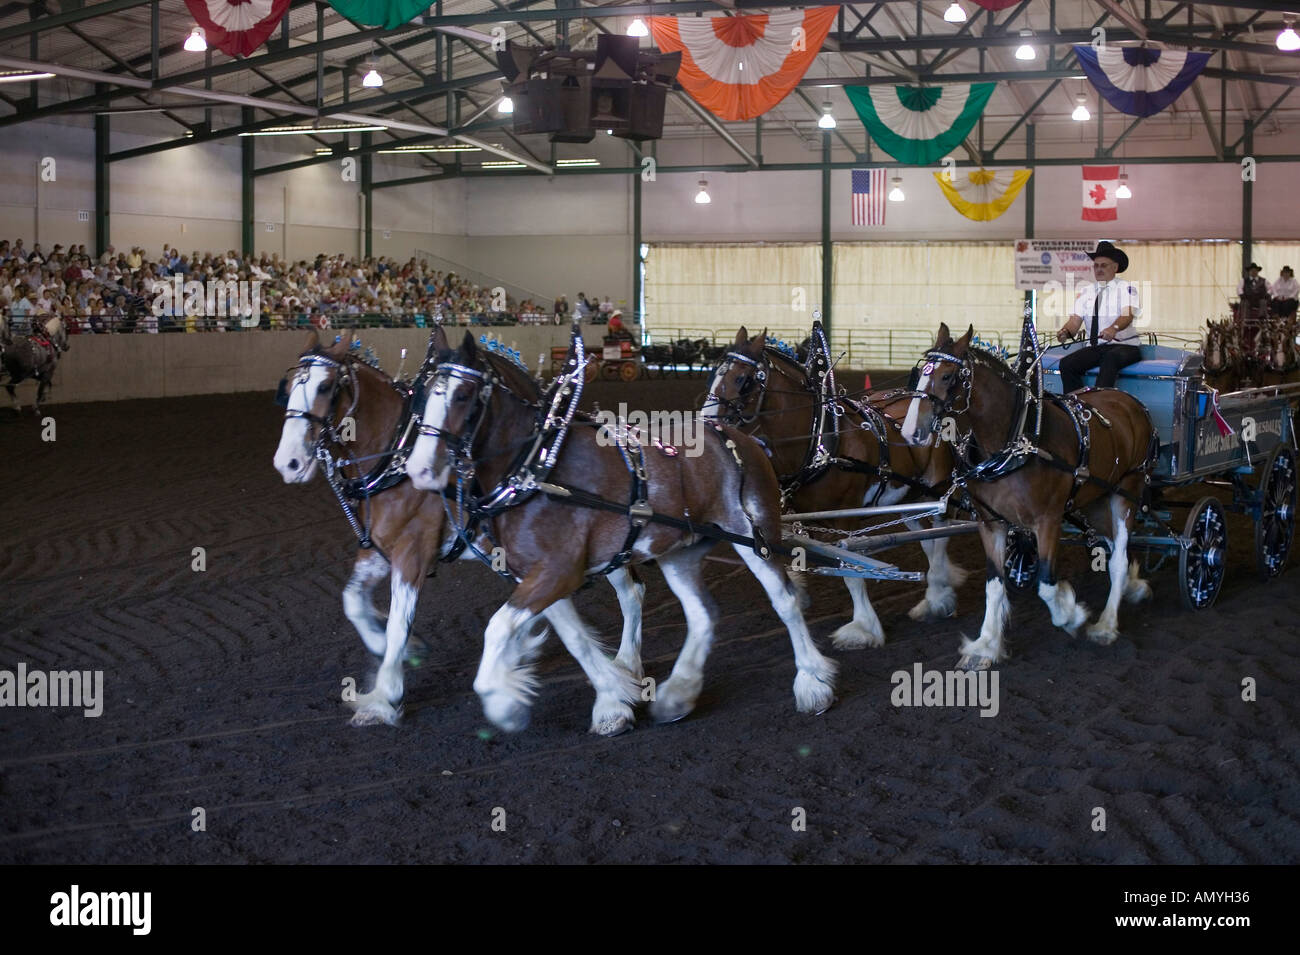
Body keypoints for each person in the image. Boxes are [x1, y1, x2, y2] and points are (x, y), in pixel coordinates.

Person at [1055, 241, 1142, 393]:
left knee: (1110, 359)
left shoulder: (1126, 288)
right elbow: (1074, 321)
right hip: (1096, 348)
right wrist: (1065, 332)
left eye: (1104, 265)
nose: (1099, 269)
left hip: (1125, 346)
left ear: (1115, 268)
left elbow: (1127, 314)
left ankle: (1100, 402)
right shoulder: (1086, 292)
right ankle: (1077, 404)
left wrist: (1114, 328)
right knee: (1066, 364)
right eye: (1096, 266)